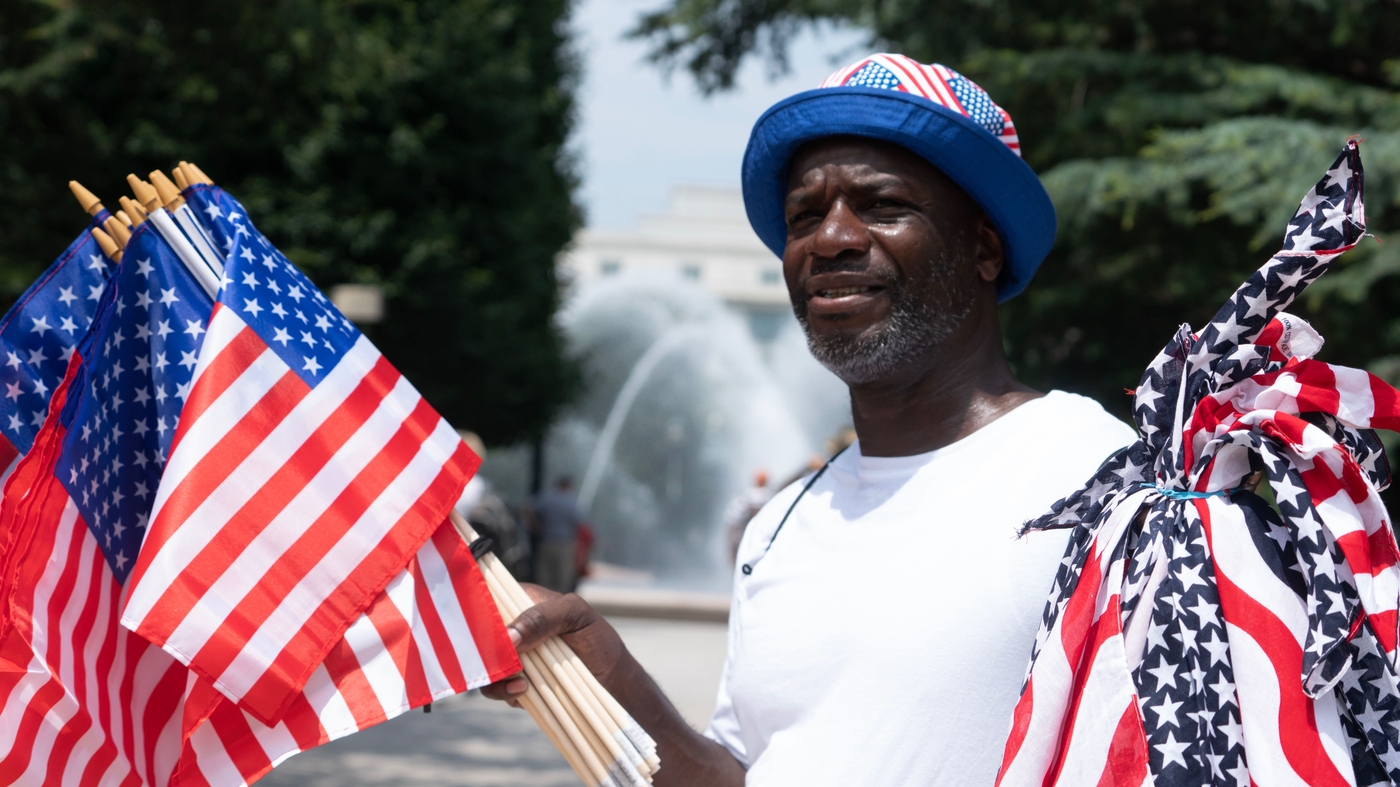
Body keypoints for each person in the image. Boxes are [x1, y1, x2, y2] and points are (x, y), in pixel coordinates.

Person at [483, 54, 1136, 785]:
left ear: (984, 246)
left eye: (882, 203)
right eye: (805, 215)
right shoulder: (782, 523)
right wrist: (601, 664)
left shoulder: (1098, 479)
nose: (832, 239)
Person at [529, 475, 587, 593]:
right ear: (569, 487)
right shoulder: (572, 502)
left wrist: (534, 526)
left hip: (546, 542)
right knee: (563, 578)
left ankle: (543, 602)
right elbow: (581, 524)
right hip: (565, 545)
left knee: (544, 577)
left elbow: (527, 508)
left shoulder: (546, 499)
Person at [724, 469, 774, 564]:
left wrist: (732, 548)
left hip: (746, 541)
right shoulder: (771, 496)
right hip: (758, 541)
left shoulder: (743, 496)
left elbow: (733, 522)